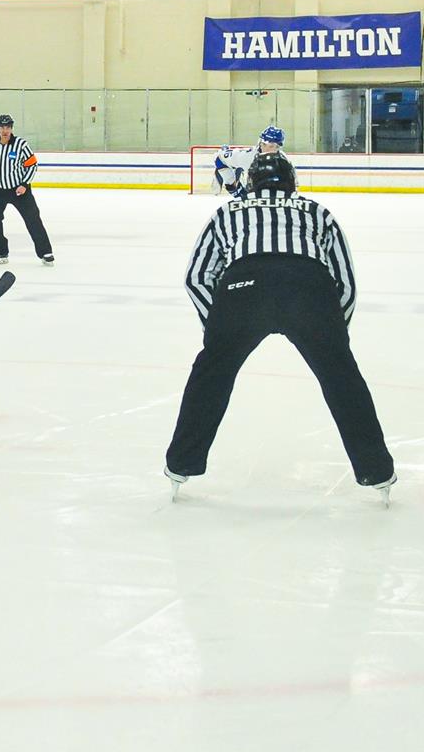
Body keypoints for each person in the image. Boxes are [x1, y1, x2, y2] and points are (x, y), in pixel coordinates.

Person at [165, 154, 393, 500]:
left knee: (210, 376)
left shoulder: (227, 212)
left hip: (243, 289)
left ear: (251, 183)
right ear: (293, 182)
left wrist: (219, 328)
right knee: (342, 379)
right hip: (309, 289)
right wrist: (333, 333)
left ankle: (181, 464)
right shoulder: (317, 212)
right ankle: (377, 471)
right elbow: (344, 282)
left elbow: (197, 277)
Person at [0, 113, 53, 265]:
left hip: (19, 191)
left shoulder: (21, 144)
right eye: (2, 127)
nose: (5, 130)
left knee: (33, 220)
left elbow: (32, 165)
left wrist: (24, 184)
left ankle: (46, 252)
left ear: (11, 128)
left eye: (7, 127)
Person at [212, 125, 286, 197]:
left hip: (261, 191)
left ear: (278, 147)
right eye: (263, 144)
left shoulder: (284, 161)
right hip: (250, 191)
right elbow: (219, 158)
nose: (266, 149)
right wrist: (230, 181)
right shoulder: (247, 157)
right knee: (233, 188)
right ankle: (235, 173)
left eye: (272, 146)